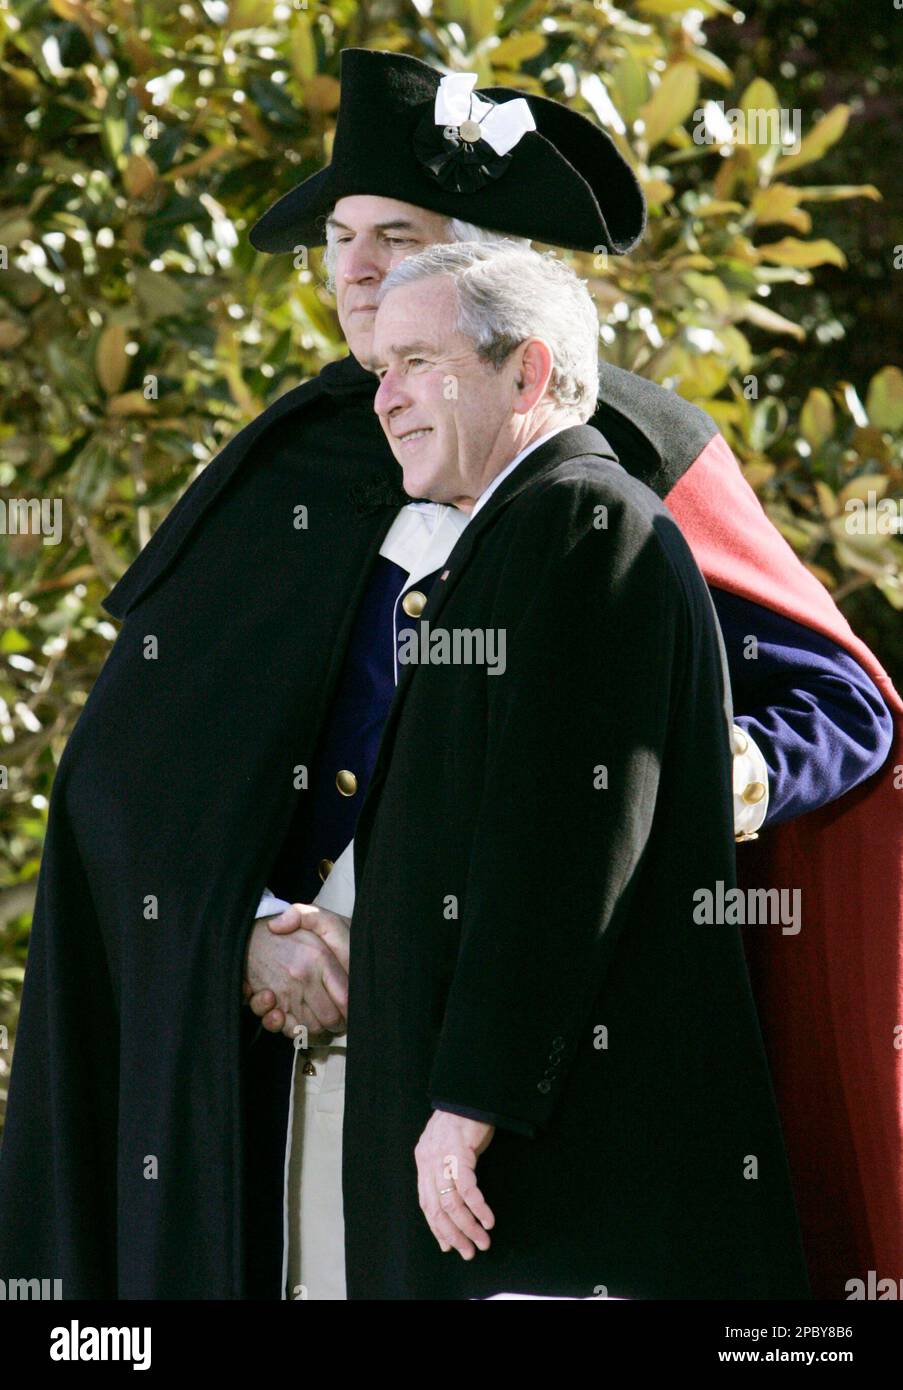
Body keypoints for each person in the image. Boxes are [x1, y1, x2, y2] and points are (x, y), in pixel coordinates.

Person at [0, 47, 897, 1301]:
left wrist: (709, 776)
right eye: (342, 239)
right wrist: (247, 931)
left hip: (533, 1083)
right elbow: (124, 778)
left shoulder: (621, 464)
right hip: (285, 1071)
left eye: (397, 236)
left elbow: (840, 704)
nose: (359, 269)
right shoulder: (279, 475)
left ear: (486, 270)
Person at [334, 238, 810, 1299]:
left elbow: (566, 845)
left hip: (561, 1199)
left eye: (419, 362)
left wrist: (472, 1101)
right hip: (510, 1191)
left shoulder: (585, 524)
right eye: (381, 370)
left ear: (528, 371)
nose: (386, 398)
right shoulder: (520, 530)